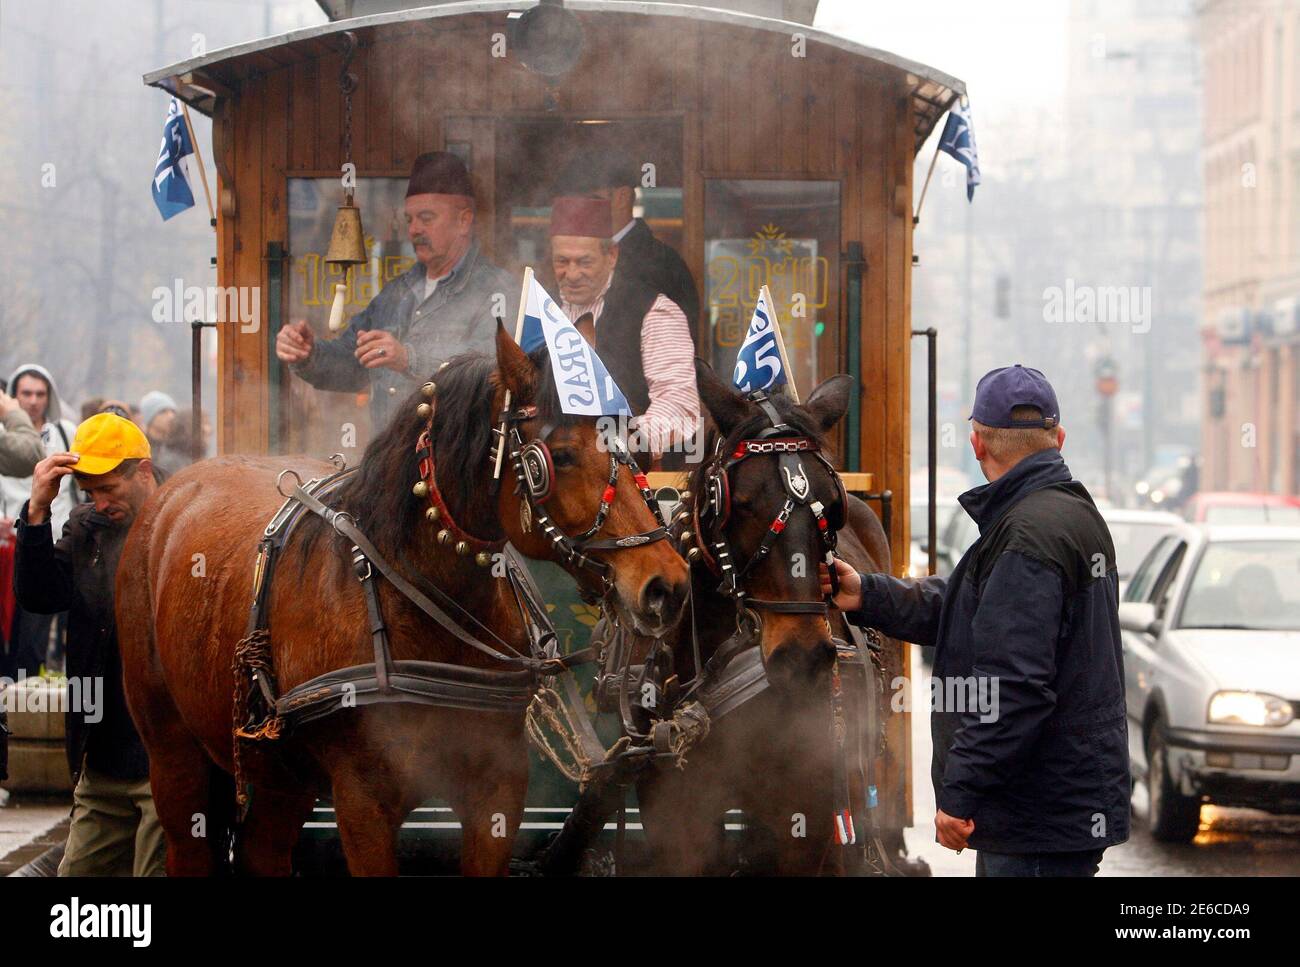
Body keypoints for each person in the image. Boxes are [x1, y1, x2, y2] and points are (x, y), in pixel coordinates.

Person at [823, 365, 1129, 877]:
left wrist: (961, 794)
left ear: (976, 444)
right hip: (1050, 811)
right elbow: (973, 606)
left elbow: (1013, 689)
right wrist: (867, 593)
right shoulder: (1060, 514)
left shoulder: (1026, 534)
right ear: (1059, 438)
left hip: (1034, 817)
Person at [13, 413, 167, 876]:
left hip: (167, 756)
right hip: (101, 756)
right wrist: (37, 512)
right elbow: (40, 596)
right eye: (90, 492)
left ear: (141, 472)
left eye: (108, 490)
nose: (99, 503)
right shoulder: (84, 528)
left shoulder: (185, 519)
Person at [275, 151, 516, 431]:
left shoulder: (498, 290)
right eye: (409, 219)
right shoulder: (397, 293)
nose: (414, 229)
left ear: (464, 221)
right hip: (390, 461)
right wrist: (309, 354)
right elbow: (352, 364)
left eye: (426, 218)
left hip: (455, 466)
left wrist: (408, 358)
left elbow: (490, 371)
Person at [547, 195, 699, 463]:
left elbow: (679, 404)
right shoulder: (540, 309)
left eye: (584, 262)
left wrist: (623, 442)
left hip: (629, 481)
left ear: (612, 255)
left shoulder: (654, 311)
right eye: (562, 262)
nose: (571, 274)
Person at [552, 152, 701, 345]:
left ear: (621, 197)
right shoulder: (566, 258)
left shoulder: (662, 264)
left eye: (591, 200)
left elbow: (676, 351)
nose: (579, 210)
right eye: (572, 203)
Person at [1, 364, 79, 679]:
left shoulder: (66, 433)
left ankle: (29, 695)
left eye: (40, 393)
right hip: (8, 545)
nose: (33, 400)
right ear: (14, 398)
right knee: (9, 631)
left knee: (36, 631)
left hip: (52, 544)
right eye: (26, 393)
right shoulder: (7, 437)